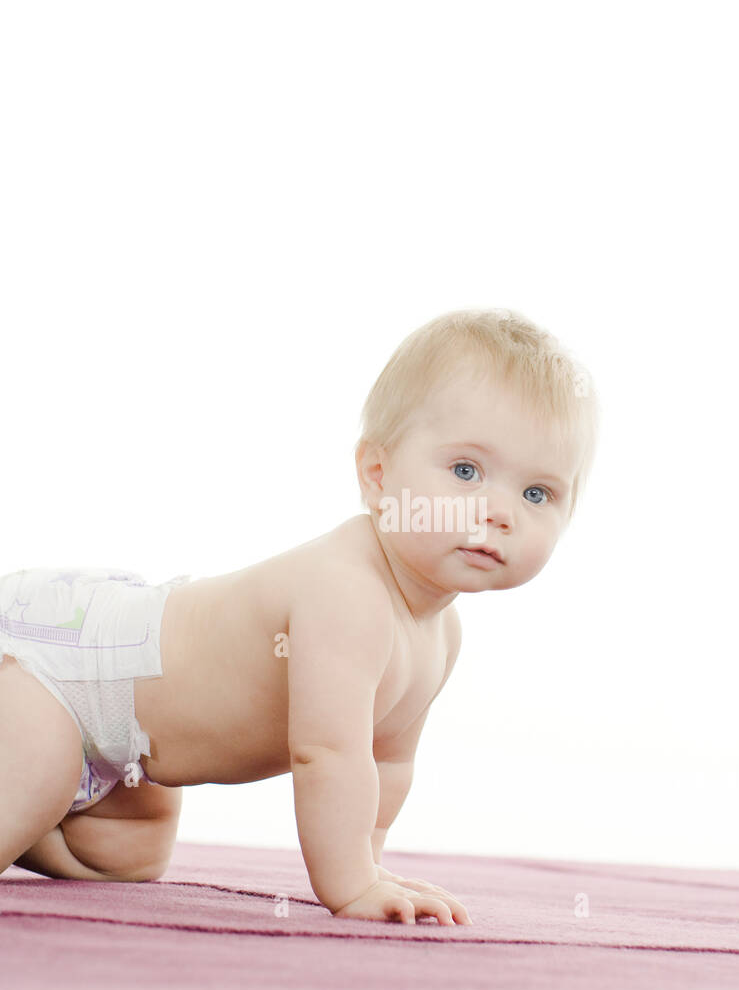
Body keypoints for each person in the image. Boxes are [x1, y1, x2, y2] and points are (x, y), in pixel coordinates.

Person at [0, 307, 599, 924]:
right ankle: (31, 785)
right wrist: (350, 885)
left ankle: (37, 810)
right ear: (378, 474)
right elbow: (328, 754)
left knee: (127, 856)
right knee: (40, 764)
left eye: (537, 494)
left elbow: (386, 761)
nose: (500, 510)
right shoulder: (346, 591)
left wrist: (371, 861)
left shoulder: (441, 635)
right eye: (466, 471)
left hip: (129, 747)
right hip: (70, 665)